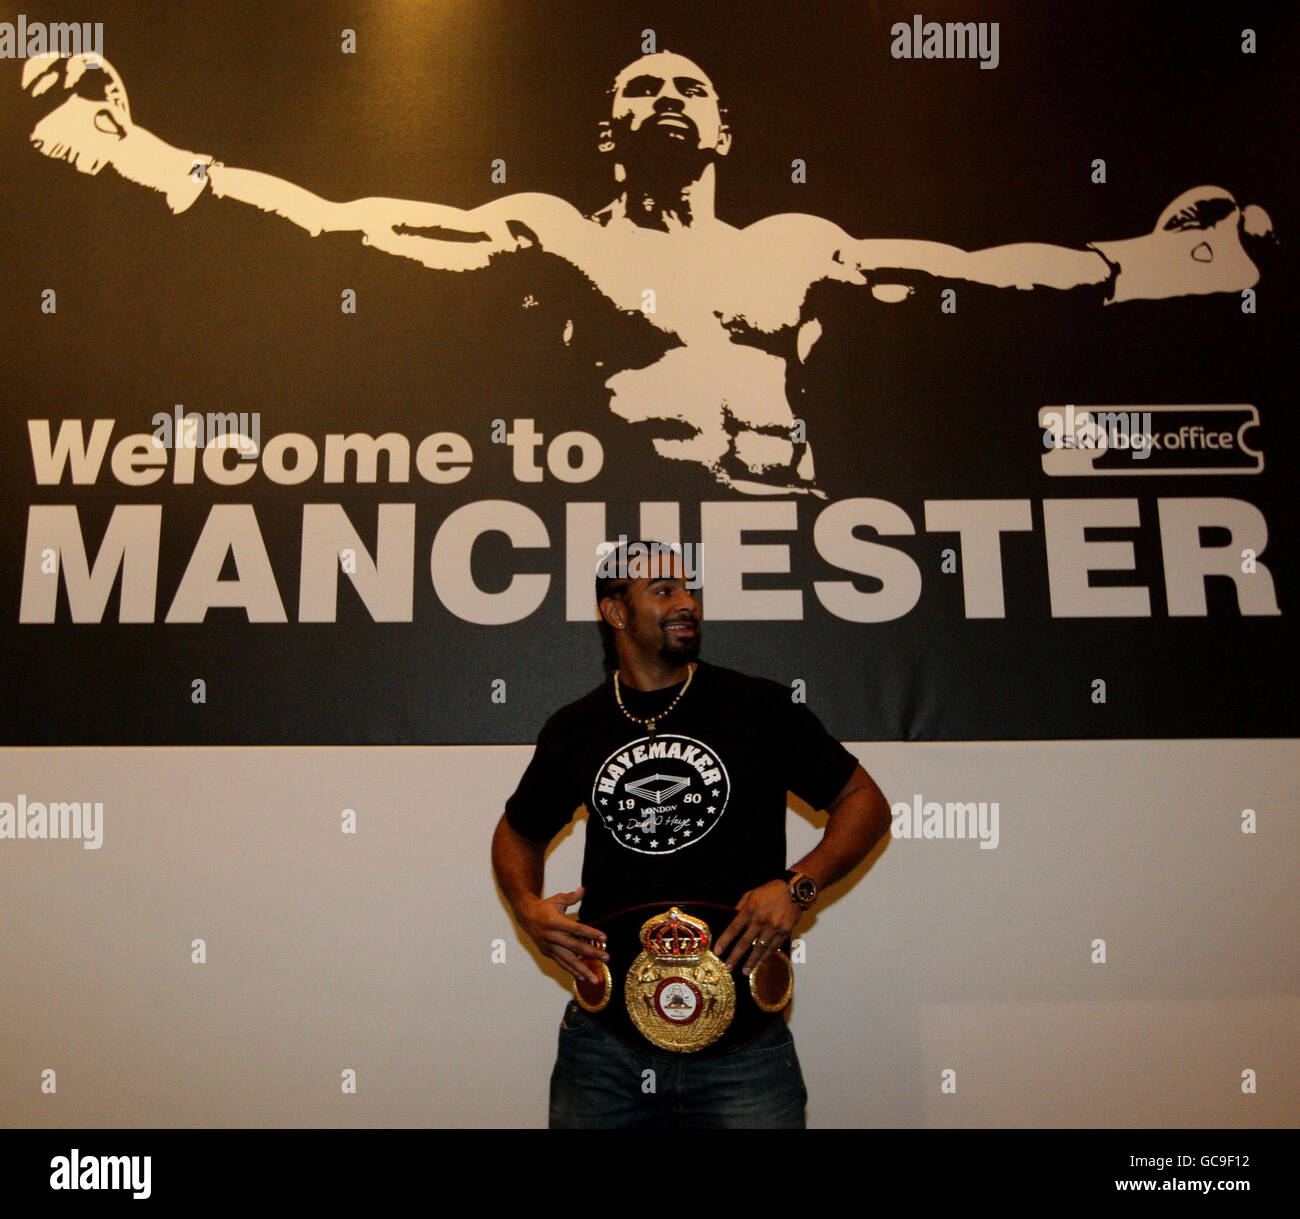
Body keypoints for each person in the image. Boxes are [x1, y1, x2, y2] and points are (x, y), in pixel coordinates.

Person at [22, 49, 1272, 494]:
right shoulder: (554, 232)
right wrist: (144, 157)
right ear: (609, 132)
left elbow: (989, 271)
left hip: (796, 539)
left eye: (691, 87)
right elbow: (336, 224)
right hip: (619, 551)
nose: (666, 95)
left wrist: (1161, 260)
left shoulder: (796, 247)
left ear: (724, 133)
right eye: (640, 87)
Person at [490, 540, 891, 1127]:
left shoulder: (757, 707)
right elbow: (517, 832)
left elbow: (866, 803)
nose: (688, 604)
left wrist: (798, 886)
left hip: (745, 1052)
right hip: (605, 1051)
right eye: (664, 591)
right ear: (615, 612)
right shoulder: (575, 728)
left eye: (689, 590)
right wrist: (528, 908)